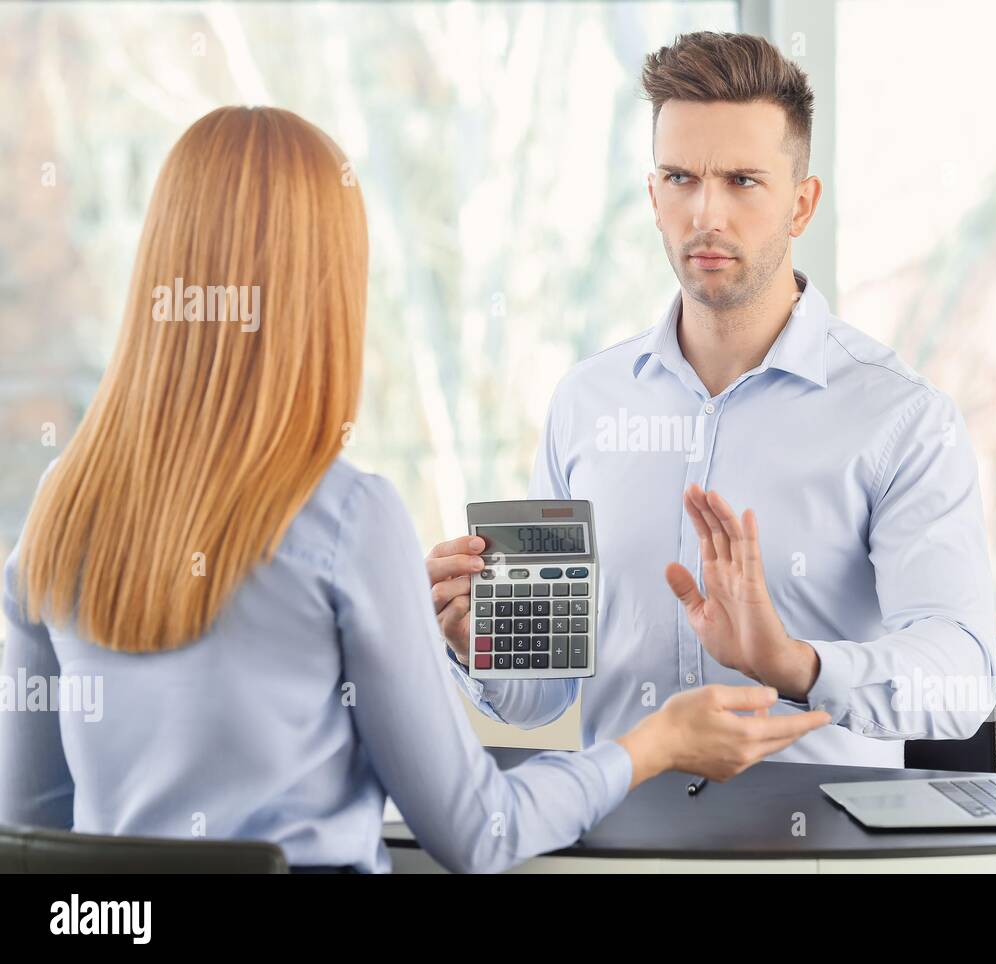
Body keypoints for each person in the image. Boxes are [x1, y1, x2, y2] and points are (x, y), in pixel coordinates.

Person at [0, 106, 830, 874]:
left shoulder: (61, 508)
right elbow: (480, 830)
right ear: (322, 290)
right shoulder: (346, 517)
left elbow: (31, 828)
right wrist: (652, 746)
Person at [430, 31, 996, 768]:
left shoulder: (902, 420)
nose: (706, 215)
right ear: (652, 194)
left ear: (802, 204)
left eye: (742, 181)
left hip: (818, 849)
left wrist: (795, 664)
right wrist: (479, 646)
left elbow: (962, 682)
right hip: (618, 836)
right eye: (680, 178)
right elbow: (544, 695)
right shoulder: (587, 402)